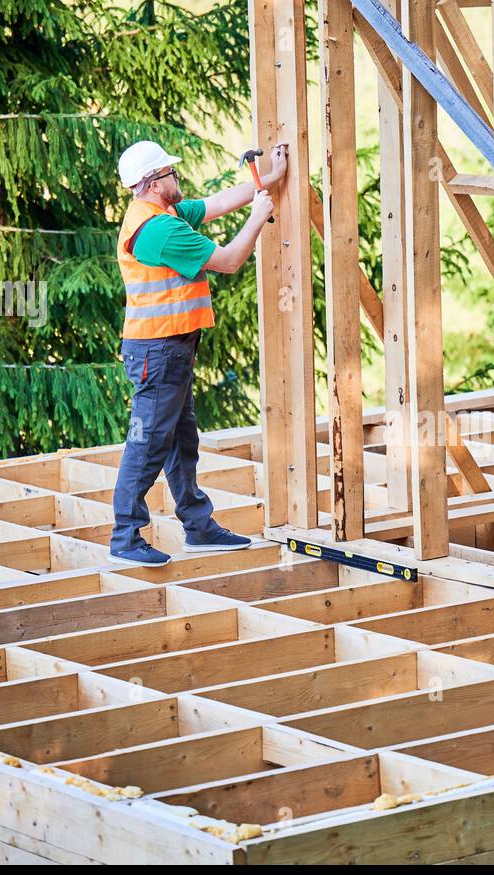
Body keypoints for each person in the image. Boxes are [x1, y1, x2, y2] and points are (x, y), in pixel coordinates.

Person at [108, 140, 286, 566]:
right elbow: (227, 260)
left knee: (181, 442)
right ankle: (125, 537)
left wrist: (270, 179)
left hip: (172, 347)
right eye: (170, 173)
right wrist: (259, 218)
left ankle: (199, 527)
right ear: (153, 183)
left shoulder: (163, 212)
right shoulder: (158, 231)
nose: (177, 177)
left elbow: (218, 201)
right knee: (148, 442)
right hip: (159, 348)